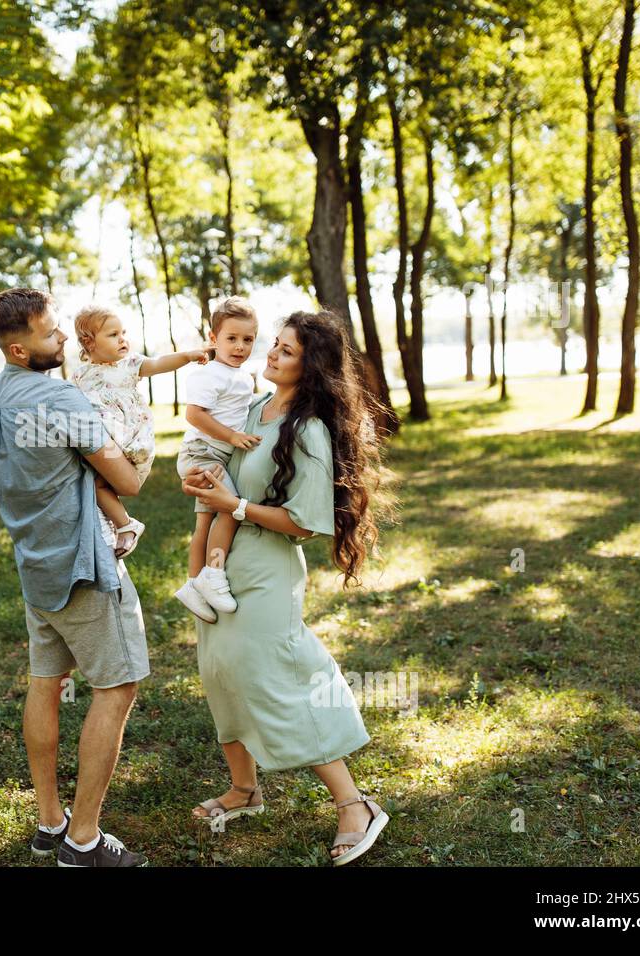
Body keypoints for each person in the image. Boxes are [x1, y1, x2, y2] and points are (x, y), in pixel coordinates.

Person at [182, 309, 394, 866]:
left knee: (279, 675)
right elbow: (228, 473)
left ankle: (355, 805)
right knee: (221, 670)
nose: (271, 354)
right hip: (221, 566)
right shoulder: (255, 407)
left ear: (312, 365)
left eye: (285, 350)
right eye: (273, 345)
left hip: (266, 569)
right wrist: (205, 482)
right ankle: (244, 788)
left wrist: (238, 506)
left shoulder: (310, 430)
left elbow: (306, 520)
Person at [0, 288, 149, 867]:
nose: (65, 338)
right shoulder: (62, 400)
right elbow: (128, 481)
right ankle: (84, 841)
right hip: (84, 565)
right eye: (51, 335)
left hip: (35, 567)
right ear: (19, 349)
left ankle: (51, 822)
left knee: (46, 682)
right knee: (116, 688)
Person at [70, 304, 210, 557]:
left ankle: (122, 525)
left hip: (130, 439)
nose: (122, 339)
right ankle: (125, 525)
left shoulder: (129, 364)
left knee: (101, 482)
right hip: (102, 441)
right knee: (95, 485)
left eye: (123, 332)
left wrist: (187, 356)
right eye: (113, 335)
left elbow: (158, 363)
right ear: (88, 342)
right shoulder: (80, 376)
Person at [173, 297, 259, 622]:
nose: (239, 346)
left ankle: (193, 584)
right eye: (231, 338)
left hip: (212, 454)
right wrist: (231, 437)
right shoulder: (211, 373)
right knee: (232, 509)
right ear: (213, 339)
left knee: (204, 522)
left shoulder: (241, 376)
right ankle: (214, 574)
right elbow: (194, 415)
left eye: (247, 339)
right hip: (203, 452)